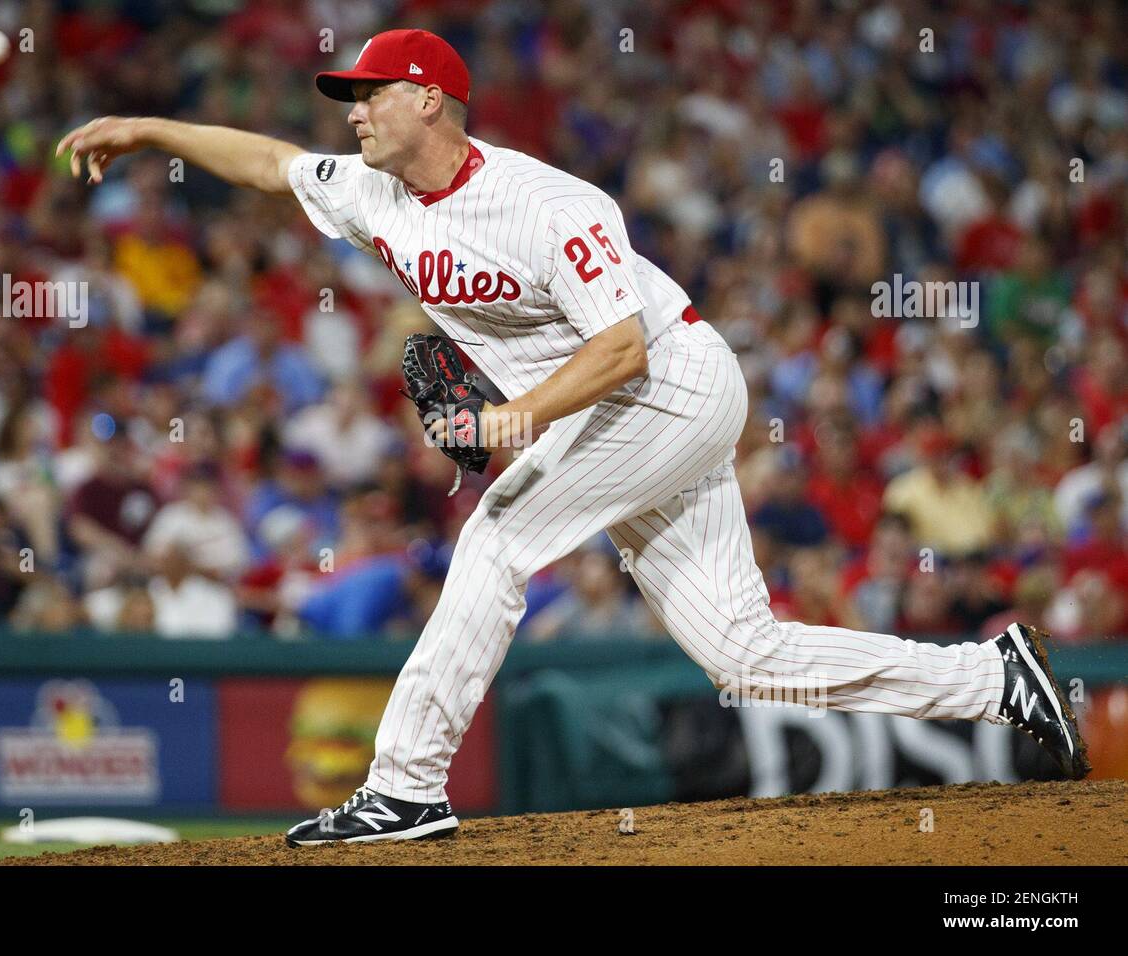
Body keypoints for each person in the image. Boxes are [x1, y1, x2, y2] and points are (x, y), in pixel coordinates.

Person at [59, 28, 1090, 847]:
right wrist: (150, 127)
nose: (353, 112)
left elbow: (623, 349)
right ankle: (997, 679)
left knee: (498, 537)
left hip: (670, 386)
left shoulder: (548, 204)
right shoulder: (374, 192)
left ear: (429, 98)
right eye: (349, 99)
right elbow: (272, 164)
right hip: (614, 414)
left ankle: (402, 788)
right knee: (745, 653)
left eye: (367, 93)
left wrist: (520, 417)